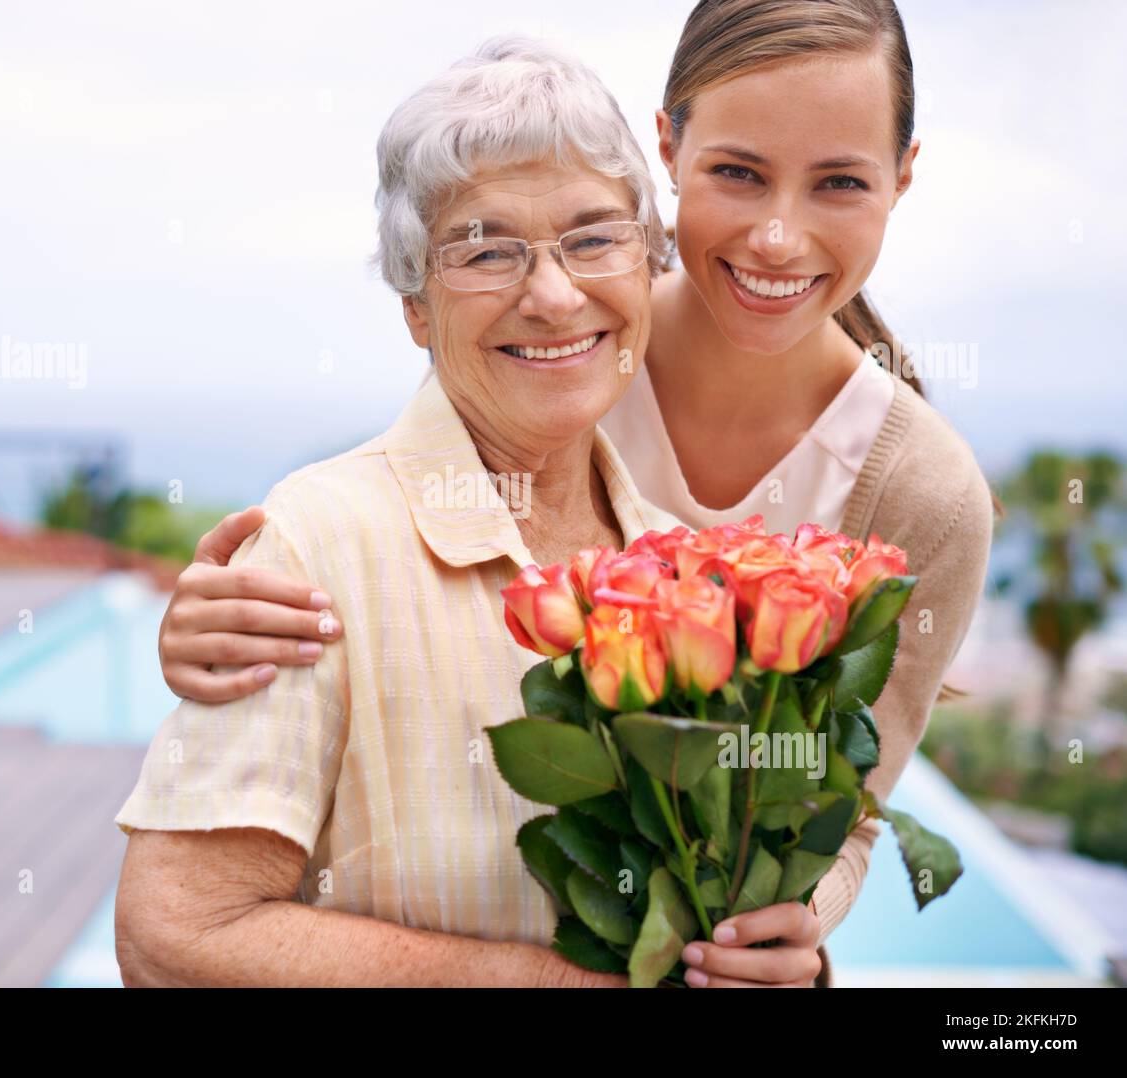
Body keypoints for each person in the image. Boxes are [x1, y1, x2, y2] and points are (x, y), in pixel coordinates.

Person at [150, 3, 996, 987]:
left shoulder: (919, 487)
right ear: (668, 148)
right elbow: (389, 529)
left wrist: (772, 939)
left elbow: (836, 811)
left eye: (840, 181)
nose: (776, 236)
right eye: (737, 171)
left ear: (902, 174)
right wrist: (211, 615)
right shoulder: (574, 350)